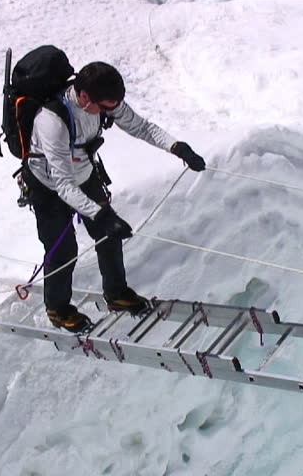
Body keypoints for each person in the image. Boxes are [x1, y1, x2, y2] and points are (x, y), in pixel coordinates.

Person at [22, 61, 206, 333]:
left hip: (84, 173)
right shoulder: (52, 122)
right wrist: (102, 214)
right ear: (84, 96)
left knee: (109, 238)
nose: (112, 112)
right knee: (63, 251)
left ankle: (117, 294)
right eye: (107, 107)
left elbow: (141, 127)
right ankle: (58, 309)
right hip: (48, 186)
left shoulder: (103, 101)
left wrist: (177, 147)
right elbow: (63, 184)